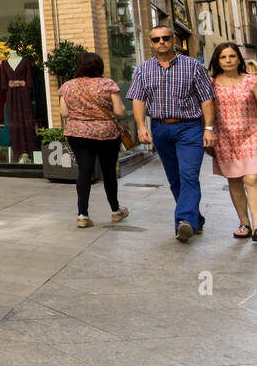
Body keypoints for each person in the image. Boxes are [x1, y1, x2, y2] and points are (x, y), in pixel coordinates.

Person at [127, 24, 217, 242]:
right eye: (156, 39)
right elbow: (138, 99)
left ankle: (184, 221)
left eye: (166, 38)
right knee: (175, 179)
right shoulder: (142, 69)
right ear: (150, 43)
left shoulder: (193, 66)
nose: (161, 42)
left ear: (174, 39)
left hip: (189, 128)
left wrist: (209, 128)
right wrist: (141, 126)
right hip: (160, 128)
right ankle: (196, 219)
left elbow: (207, 99)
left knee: (188, 175)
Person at [57, 51, 130, 228]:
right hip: (106, 133)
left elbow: (64, 113)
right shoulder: (108, 84)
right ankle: (115, 210)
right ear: (99, 66)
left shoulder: (67, 86)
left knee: (84, 172)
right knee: (108, 172)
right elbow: (120, 111)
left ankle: (82, 215)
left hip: (77, 133)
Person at [207, 41, 257, 240]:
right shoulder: (211, 84)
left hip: (251, 134)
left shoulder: (252, 81)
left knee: (252, 178)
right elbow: (207, 111)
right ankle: (244, 223)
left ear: (239, 59)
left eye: (232, 56)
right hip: (225, 138)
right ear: (217, 61)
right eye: (223, 57)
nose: (228, 60)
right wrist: (207, 133)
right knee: (234, 179)